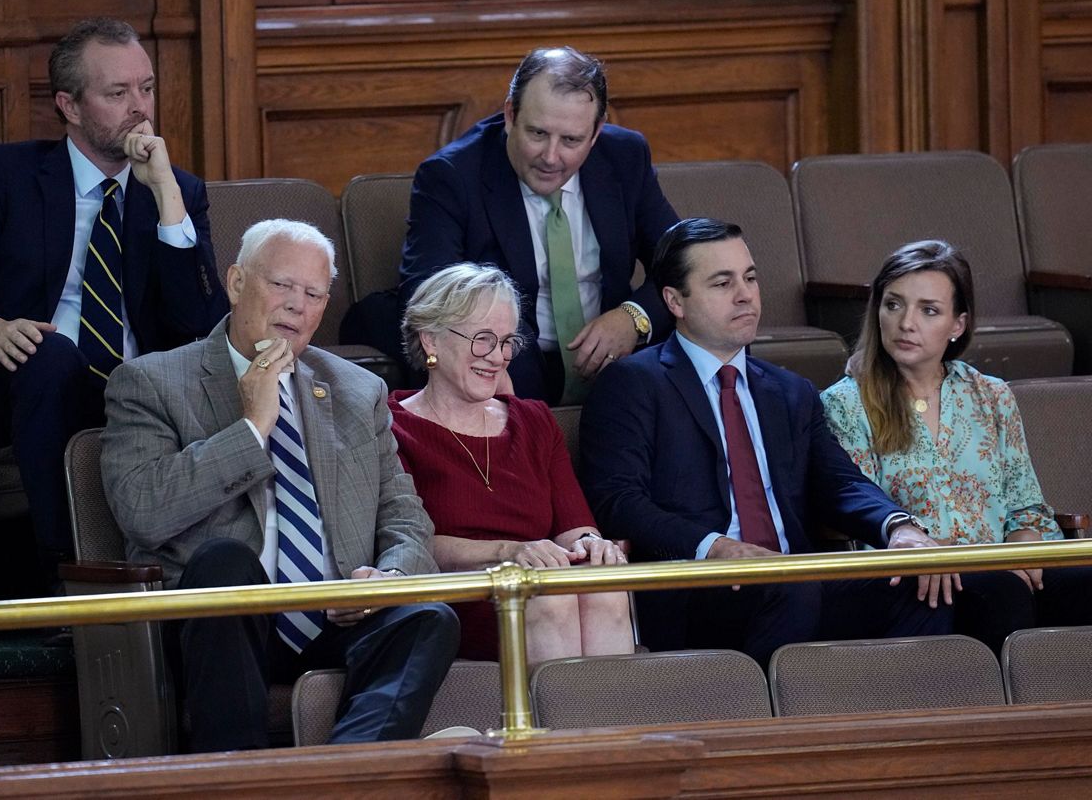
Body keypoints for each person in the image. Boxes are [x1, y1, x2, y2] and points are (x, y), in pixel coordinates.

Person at [101, 218, 460, 752]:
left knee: (429, 615)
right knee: (226, 561)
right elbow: (144, 510)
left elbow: (406, 519)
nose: (297, 305)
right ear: (237, 282)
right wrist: (252, 428)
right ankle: (242, 783)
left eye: (313, 293)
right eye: (282, 286)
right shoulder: (152, 382)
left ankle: (346, 777)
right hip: (222, 625)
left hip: (336, 616)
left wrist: (380, 579)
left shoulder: (358, 391)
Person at [0, 17, 226, 590]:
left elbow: (202, 326)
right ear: (69, 106)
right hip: (29, 381)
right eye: (117, 93)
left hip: (139, 386)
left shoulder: (176, 191)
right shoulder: (7, 175)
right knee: (51, 355)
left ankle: (203, 580)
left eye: (146, 88)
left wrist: (168, 199)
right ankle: (67, 574)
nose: (140, 109)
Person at [580, 218, 955, 667]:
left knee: (930, 586)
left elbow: (839, 483)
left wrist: (899, 528)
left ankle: (894, 728)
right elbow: (618, 500)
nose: (745, 294)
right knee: (791, 591)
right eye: (723, 283)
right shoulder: (633, 383)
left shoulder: (789, 391)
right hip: (698, 587)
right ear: (674, 301)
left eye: (750, 278)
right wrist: (713, 545)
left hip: (792, 578)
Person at [822, 240, 1092, 654]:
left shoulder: (992, 396)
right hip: (914, 576)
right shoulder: (845, 402)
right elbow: (861, 520)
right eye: (894, 305)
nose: (906, 323)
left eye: (929, 310)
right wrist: (958, 559)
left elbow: (1026, 507)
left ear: (958, 325)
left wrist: (1023, 548)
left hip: (998, 568)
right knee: (1001, 591)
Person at [399, 47, 679, 405]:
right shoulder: (452, 175)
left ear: (596, 133)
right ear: (510, 115)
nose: (550, 157)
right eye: (537, 133)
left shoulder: (625, 156)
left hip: (616, 358)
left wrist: (633, 318)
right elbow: (427, 295)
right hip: (510, 364)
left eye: (571, 141)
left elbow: (684, 262)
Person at [388, 263, 634, 663]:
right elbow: (409, 542)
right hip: (460, 597)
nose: (499, 357)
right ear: (431, 340)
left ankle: (609, 722)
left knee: (604, 586)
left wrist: (592, 546)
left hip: (542, 582)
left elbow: (575, 528)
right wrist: (511, 551)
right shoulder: (392, 424)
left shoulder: (535, 420)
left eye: (507, 342)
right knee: (547, 598)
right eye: (483, 339)